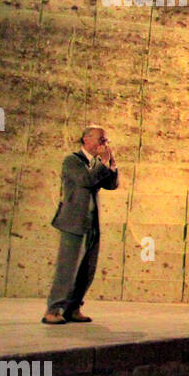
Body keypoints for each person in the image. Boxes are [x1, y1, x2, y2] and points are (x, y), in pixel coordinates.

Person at [44, 125, 119, 324]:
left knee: (87, 269)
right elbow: (85, 180)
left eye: (105, 140)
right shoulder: (72, 161)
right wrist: (102, 163)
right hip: (73, 221)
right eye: (101, 140)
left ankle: (73, 307)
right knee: (67, 268)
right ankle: (53, 310)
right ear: (86, 139)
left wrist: (111, 165)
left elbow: (112, 185)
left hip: (91, 223)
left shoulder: (96, 163)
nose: (104, 144)